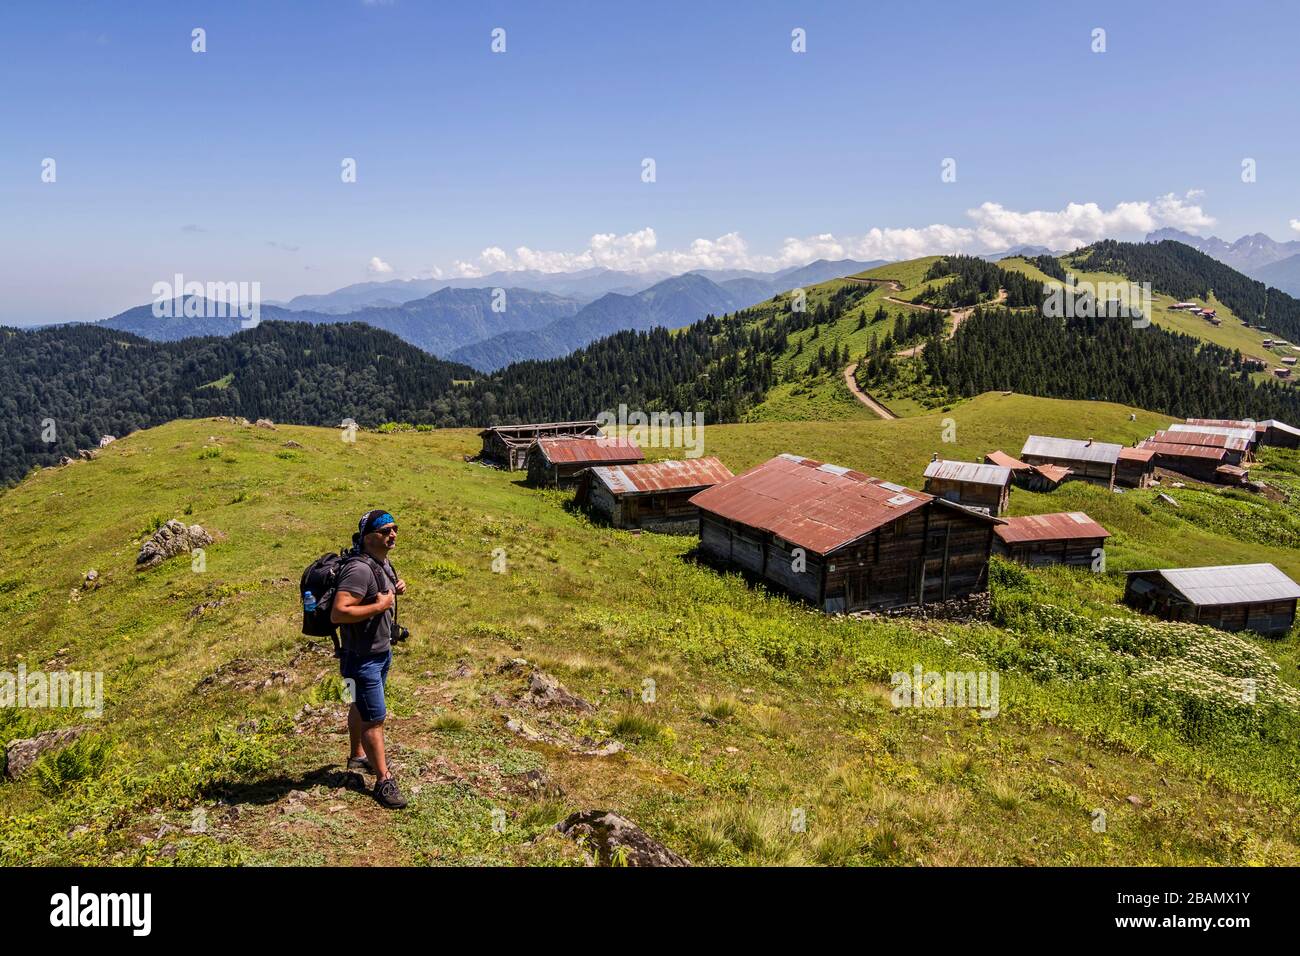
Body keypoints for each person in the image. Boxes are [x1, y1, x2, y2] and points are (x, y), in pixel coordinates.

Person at [331, 509, 408, 809]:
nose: (393, 534)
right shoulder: (359, 570)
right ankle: (383, 781)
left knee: (358, 707)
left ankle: (357, 757)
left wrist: (396, 589)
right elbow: (339, 612)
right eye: (385, 530)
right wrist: (379, 607)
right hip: (361, 660)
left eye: (395, 528)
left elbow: (381, 594)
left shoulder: (382, 563)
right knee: (375, 719)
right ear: (367, 537)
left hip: (377, 653)